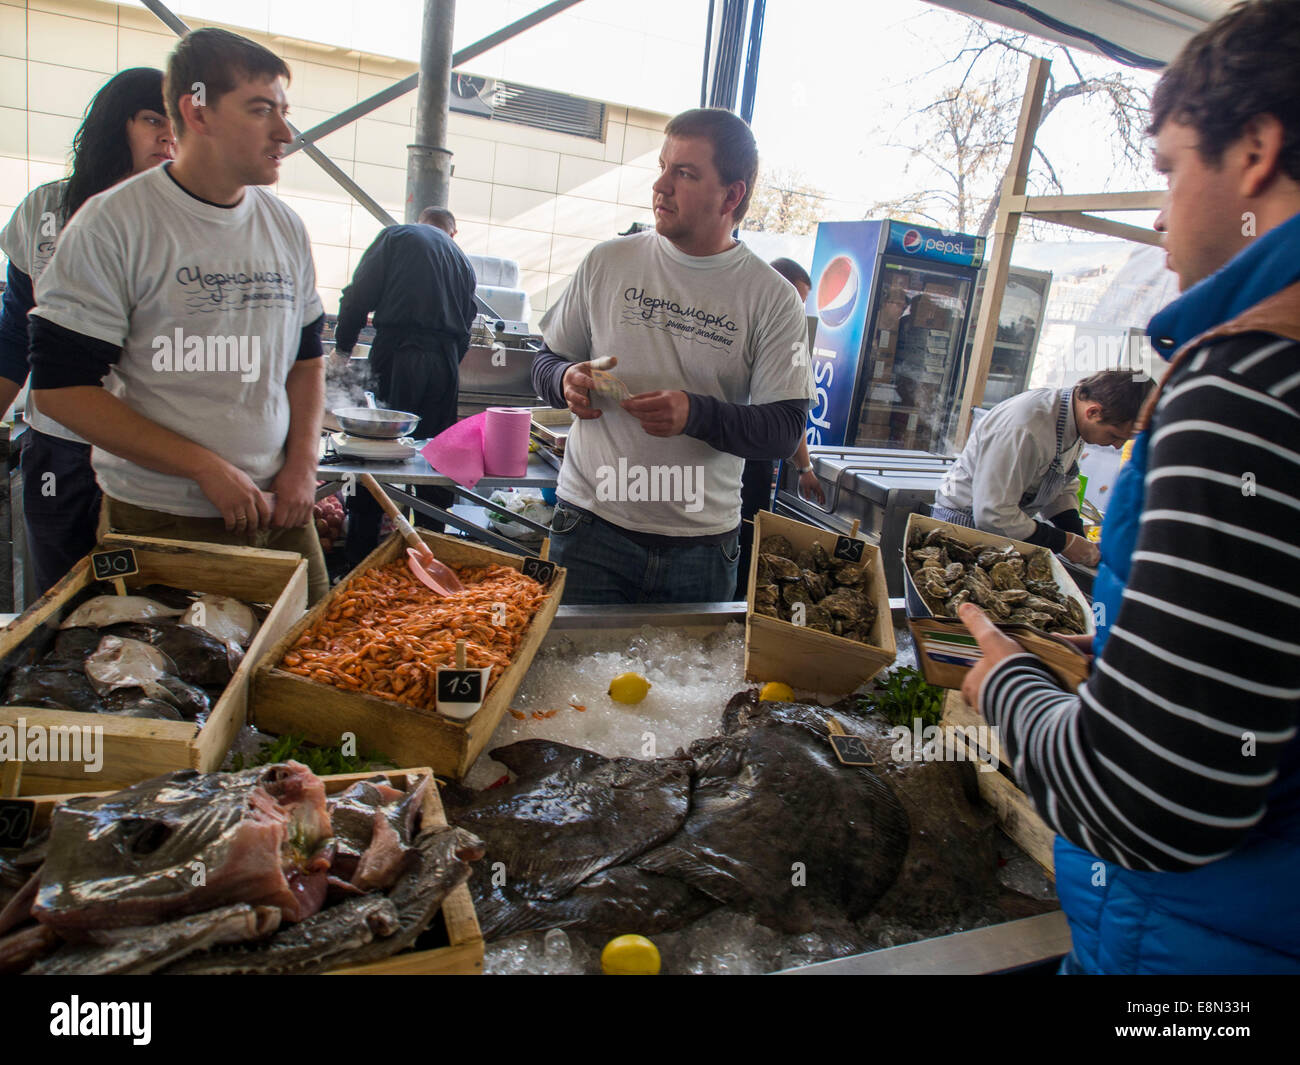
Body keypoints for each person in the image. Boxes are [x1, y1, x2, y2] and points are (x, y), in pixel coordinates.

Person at [959, 0, 1300, 974]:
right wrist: (1133, 652)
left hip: (1209, 957)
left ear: (1254, 152)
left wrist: (1004, 683)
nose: (1156, 218)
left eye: (1166, 169)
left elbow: (1142, 804)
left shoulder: (1241, 392)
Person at [28, 28, 330, 603]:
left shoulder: (284, 226)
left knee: (311, 664)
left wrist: (300, 465)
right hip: (160, 517)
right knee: (176, 679)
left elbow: (307, 360)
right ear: (197, 109)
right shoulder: (114, 224)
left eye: (284, 112)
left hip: (280, 509)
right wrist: (203, 468)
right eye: (261, 109)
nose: (284, 133)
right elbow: (61, 390)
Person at [533, 108, 813, 604]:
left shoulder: (771, 297)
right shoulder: (607, 262)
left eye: (684, 173)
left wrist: (695, 413)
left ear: (732, 195)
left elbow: (784, 429)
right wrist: (565, 380)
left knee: (687, 686)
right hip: (590, 529)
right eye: (663, 167)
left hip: (700, 550)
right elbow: (546, 359)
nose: (661, 186)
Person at [0, 68, 173, 595]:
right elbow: (15, 335)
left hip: (152, 454)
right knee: (61, 597)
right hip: (60, 451)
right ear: (110, 126)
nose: (168, 136)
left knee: (142, 599)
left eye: (179, 126)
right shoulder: (45, 212)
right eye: (151, 120)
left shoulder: (189, 221)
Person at [333, 206, 477, 564]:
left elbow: (357, 295)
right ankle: (432, 557)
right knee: (434, 458)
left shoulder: (396, 236)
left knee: (376, 451)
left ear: (419, 220)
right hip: (444, 365)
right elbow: (466, 328)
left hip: (399, 353)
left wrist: (342, 349)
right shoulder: (463, 261)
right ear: (453, 232)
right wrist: (442, 367)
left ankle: (359, 561)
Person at [931, 369, 1151, 567]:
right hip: (962, 533)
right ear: (1093, 412)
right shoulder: (1026, 427)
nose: (1117, 445)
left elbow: (1059, 485)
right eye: (1114, 435)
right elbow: (993, 514)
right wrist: (1062, 541)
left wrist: (1074, 533)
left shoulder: (1070, 421)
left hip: (998, 536)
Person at [734, 256, 824, 598]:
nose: (794, 311)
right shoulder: (738, 321)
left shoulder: (789, 340)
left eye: (799, 304)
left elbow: (792, 412)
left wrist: (805, 467)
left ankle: (739, 606)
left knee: (749, 544)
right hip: (721, 462)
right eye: (792, 299)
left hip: (757, 463)